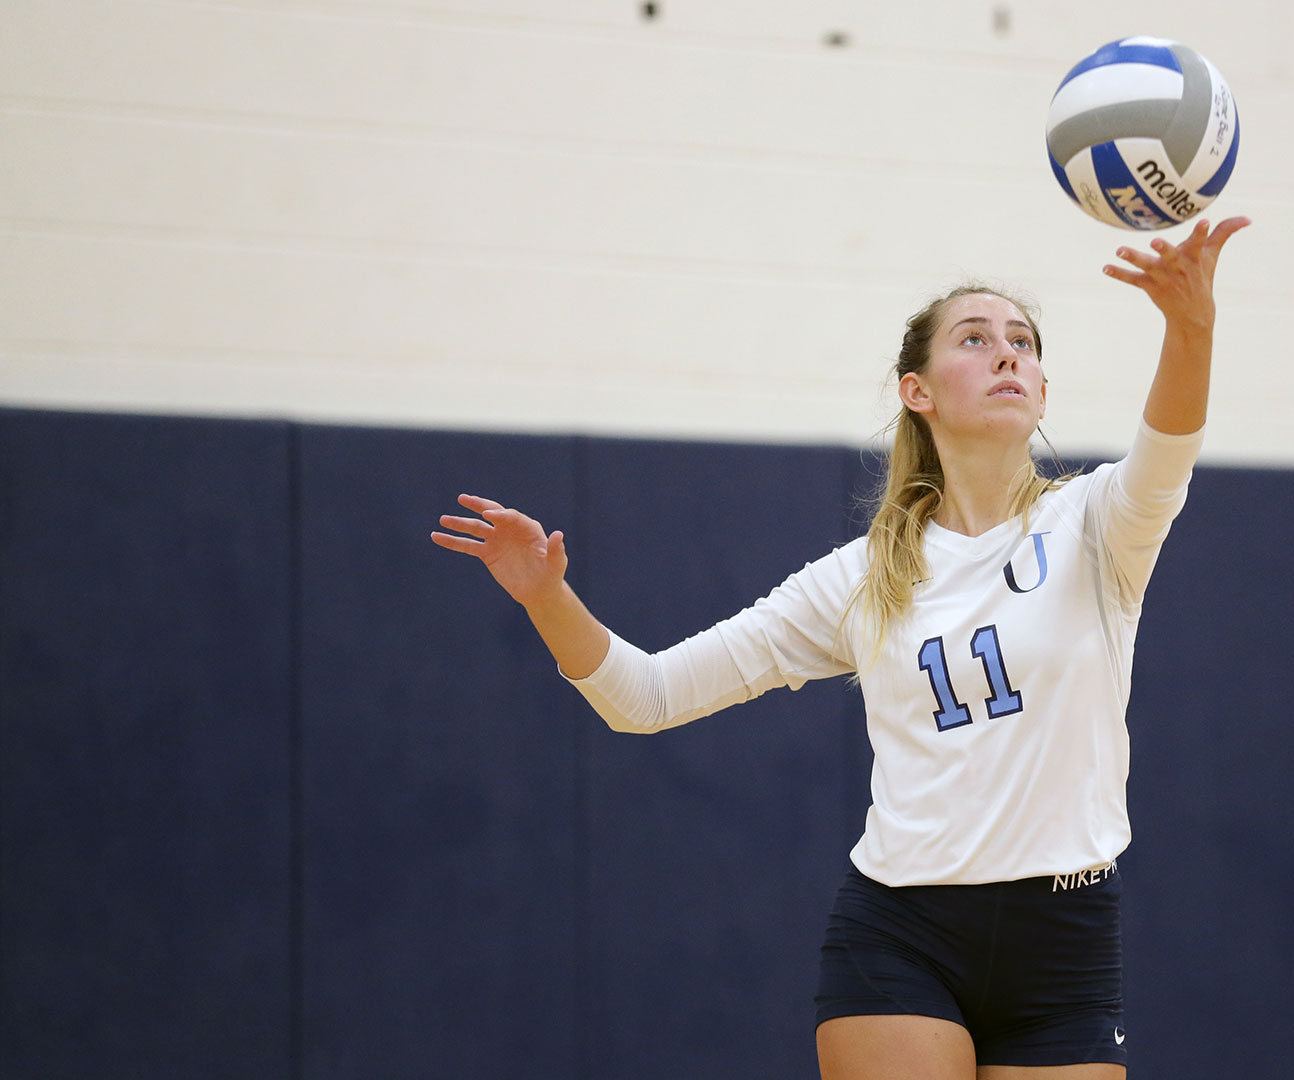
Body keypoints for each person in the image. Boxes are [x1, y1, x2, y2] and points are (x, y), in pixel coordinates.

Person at [431, 216, 1250, 1079]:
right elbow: (647, 697)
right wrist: (546, 596)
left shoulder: (1095, 525)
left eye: (1023, 342)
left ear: (1044, 392)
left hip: (1065, 938)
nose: (1007, 354)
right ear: (918, 390)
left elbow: (1170, 444)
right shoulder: (859, 578)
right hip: (903, 936)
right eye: (975, 339)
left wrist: (1191, 323)